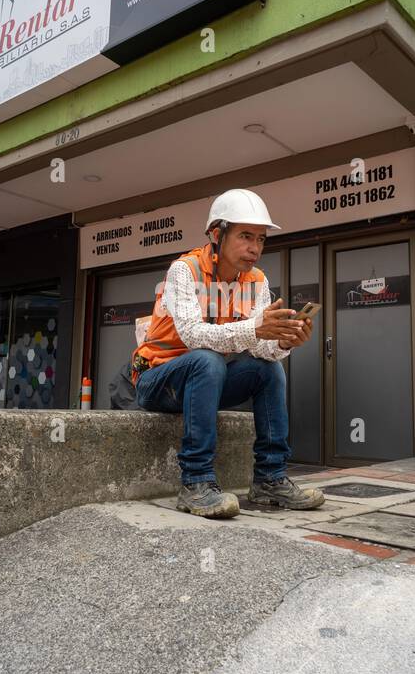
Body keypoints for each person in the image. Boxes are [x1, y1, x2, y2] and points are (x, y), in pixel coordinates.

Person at [133, 189, 325, 519]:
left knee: (267, 369)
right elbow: (194, 336)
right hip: (158, 380)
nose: (255, 248)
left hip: (207, 381)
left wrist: (283, 342)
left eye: (261, 239)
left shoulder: (258, 280)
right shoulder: (185, 270)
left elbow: (260, 348)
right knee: (206, 359)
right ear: (217, 234)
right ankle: (195, 482)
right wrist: (255, 329)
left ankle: (270, 478)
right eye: (246, 236)